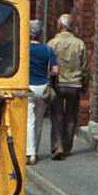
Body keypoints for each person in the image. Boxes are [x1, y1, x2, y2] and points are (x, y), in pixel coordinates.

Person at [48, 14, 88, 159]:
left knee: (57, 115)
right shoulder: (80, 44)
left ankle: (57, 145)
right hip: (74, 84)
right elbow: (84, 66)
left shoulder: (52, 43)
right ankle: (67, 146)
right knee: (71, 116)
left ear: (60, 26)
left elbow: (48, 64)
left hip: (58, 84)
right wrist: (84, 84)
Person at [26, 20, 57, 165]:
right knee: (39, 121)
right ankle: (35, 151)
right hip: (43, 88)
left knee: (29, 120)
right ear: (40, 34)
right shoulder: (47, 50)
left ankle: (30, 153)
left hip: (28, 87)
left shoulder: (25, 49)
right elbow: (55, 70)